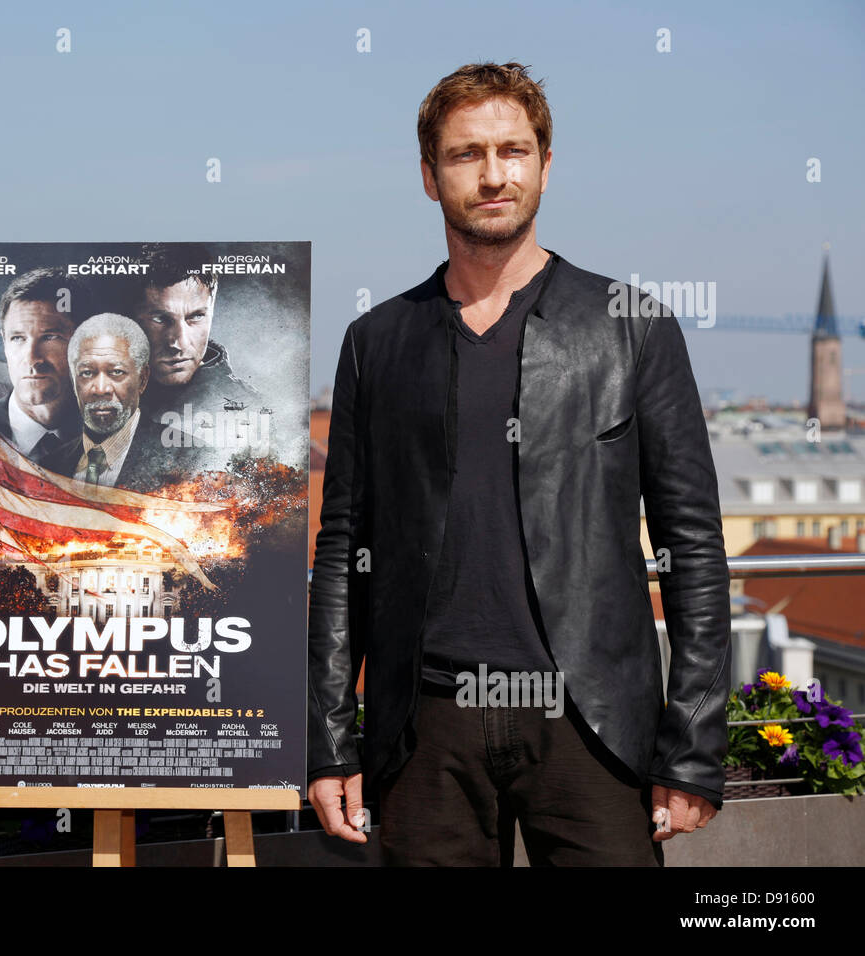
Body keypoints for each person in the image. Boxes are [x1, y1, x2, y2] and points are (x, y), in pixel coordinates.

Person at [307, 62, 731, 866]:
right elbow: (341, 555)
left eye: (514, 150)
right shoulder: (377, 343)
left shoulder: (632, 328)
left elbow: (695, 551)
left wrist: (693, 746)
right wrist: (331, 742)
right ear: (430, 177)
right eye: (468, 155)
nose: (494, 174)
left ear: (544, 164)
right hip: (425, 731)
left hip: (591, 724)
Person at [122, 243, 265, 468]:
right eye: (160, 319)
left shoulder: (251, 408)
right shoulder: (99, 397)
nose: (179, 342)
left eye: (196, 317)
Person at [50, 313, 191, 493]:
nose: (101, 389)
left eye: (116, 372)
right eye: (86, 373)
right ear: (73, 380)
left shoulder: (189, 460)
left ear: (142, 379)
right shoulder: (50, 466)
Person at [0, 268, 93, 469]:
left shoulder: (122, 442)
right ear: (4, 342)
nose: (31, 358)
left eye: (49, 337)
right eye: (17, 338)